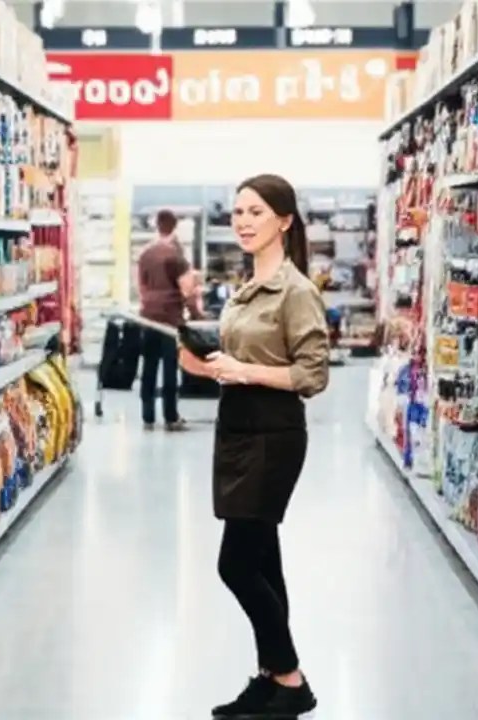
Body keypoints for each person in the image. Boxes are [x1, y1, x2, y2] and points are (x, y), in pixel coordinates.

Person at [178, 174, 330, 718]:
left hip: (273, 435)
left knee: (235, 565)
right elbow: (243, 362)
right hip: (237, 428)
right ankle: (270, 679)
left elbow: (312, 375)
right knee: (264, 561)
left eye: (256, 212)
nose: (242, 220)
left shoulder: (296, 291)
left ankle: (291, 679)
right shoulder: (246, 289)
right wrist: (205, 363)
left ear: (285, 220)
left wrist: (243, 369)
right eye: (238, 211)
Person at [137, 209, 202, 430]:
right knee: (169, 368)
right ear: (175, 226)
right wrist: (196, 315)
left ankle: (147, 415)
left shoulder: (145, 254)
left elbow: (141, 286)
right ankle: (171, 416)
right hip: (170, 320)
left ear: (157, 225)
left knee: (149, 366)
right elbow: (187, 290)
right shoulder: (176, 255)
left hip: (147, 317)